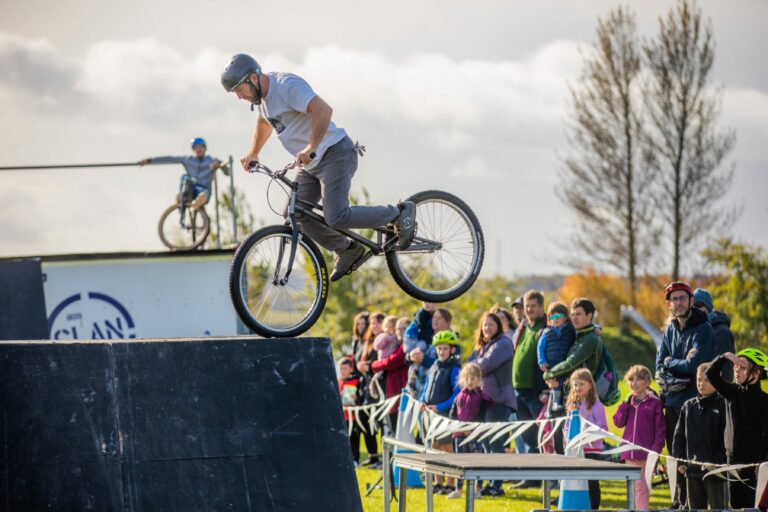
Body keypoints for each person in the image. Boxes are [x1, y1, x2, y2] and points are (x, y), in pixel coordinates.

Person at [221, 54, 416, 282]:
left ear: (253, 78)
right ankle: (347, 249)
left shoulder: (286, 86)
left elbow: (323, 110)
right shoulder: (261, 102)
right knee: (295, 213)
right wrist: (254, 152)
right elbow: (265, 122)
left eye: (239, 90)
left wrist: (311, 147)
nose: (239, 97)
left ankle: (398, 213)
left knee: (336, 216)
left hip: (335, 153)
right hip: (311, 164)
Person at [655, 281, 715, 507]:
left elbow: (695, 365)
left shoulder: (704, 329)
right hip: (672, 402)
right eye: (674, 299)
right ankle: (678, 501)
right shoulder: (670, 329)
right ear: (669, 304)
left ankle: (694, 503)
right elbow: (659, 364)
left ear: (691, 301)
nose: (678, 303)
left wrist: (673, 362)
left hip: (694, 404)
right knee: (675, 455)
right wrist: (674, 363)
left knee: (694, 457)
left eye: (682, 298)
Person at [705, 348, 768, 508]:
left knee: (754, 504)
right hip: (732, 460)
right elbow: (711, 374)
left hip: (754, 465)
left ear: (757, 373)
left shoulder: (764, 400)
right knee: (736, 503)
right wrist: (725, 356)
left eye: (743, 367)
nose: (737, 370)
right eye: (736, 366)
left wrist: (760, 463)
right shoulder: (733, 392)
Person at [472, 311, 517, 497]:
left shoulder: (504, 343)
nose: (487, 328)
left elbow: (485, 364)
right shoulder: (484, 346)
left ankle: (496, 485)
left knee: (495, 442)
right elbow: (472, 363)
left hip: (500, 400)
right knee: (485, 442)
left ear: (498, 326)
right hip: (485, 400)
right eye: (484, 324)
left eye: (491, 324)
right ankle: (490, 482)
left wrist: (471, 367)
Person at [672, 362, 727, 509]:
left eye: (707, 380)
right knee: (695, 508)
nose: (701, 383)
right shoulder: (688, 406)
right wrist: (681, 461)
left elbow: (727, 438)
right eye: (698, 379)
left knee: (718, 508)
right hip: (692, 471)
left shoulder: (723, 405)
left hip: (716, 471)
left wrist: (721, 462)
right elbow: (679, 438)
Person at [612, 365, 666, 510]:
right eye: (630, 380)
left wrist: (655, 451)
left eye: (637, 380)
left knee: (641, 487)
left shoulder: (655, 403)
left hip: (647, 454)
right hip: (629, 453)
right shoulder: (628, 402)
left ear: (648, 382)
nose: (633, 384)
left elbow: (660, 430)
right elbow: (618, 422)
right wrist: (624, 404)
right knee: (634, 487)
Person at [419, 330, 462, 494]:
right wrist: (423, 400)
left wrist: (440, 407)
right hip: (430, 414)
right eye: (439, 349)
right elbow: (426, 387)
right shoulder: (434, 366)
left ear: (451, 349)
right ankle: (438, 481)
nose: (441, 352)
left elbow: (456, 393)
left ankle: (450, 483)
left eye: (445, 348)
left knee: (446, 447)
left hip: (444, 414)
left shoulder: (453, 369)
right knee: (434, 446)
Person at [511, 290, 548, 466]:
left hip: (537, 391)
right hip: (518, 390)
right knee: (527, 434)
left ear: (541, 307)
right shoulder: (523, 327)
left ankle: (548, 474)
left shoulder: (547, 327)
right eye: (527, 306)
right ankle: (531, 474)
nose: (530, 309)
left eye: (534, 306)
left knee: (543, 433)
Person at [563, 368, 607, 510]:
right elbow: (567, 425)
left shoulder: (597, 405)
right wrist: (566, 439)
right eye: (575, 385)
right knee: (577, 481)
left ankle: (594, 508)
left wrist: (589, 435)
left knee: (592, 482)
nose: (577, 388)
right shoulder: (572, 405)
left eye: (581, 384)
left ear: (590, 385)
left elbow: (603, 428)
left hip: (591, 450)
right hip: (575, 450)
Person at [139, 137, 221, 210]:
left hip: (203, 189)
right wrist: (150, 161)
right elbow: (169, 159)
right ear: (193, 149)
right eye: (196, 147)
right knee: (185, 177)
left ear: (205, 148)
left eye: (201, 147)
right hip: (191, 189)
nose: (199, 149)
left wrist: (218, 163)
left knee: (204, 192)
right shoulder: (188, 159)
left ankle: (201, 199)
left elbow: (226, 171)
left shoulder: (211, 160)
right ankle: (183, 195)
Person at [447, 363, 486, 500]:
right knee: (460, 462)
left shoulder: (481, 396)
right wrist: (458, 428)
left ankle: (478, 489)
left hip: (475, 435)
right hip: (459, 435)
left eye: (473, 378)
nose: (470, 381)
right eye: (467, 378)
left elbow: (482, 415)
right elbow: (453, 415)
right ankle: (458, 489)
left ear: (479, 379)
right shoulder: (459, 396)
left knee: (477, 461)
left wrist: (473, 429)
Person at [353, 312, 382, 467]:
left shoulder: (383, 340)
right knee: (364, 419)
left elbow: (381, 361)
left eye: (377, 323)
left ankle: (381, 456)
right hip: (365, 384)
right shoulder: (366, 342)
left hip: (377, 385)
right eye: (372, 323)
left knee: (377, 421)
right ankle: (373, 454)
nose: (373, 326)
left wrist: (369, 366)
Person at [537, 301, 576, 415]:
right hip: (551, 364)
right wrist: (541, 361)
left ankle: (551, 409)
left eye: (558, 316)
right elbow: (540, 348)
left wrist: (596, 327)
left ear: (565, 317)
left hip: (564, 363)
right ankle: (554, 405)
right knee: (555, 384)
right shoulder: (546, 332)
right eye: (552, 316)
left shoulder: (570, 330)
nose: (555, 319)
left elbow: (583, 328)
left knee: (562, 385)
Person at [694, 287, 735, 382]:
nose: (694, 309)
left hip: (717, 391)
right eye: (692, 306)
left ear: (708, 307)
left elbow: (726, 367)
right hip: (699, 388)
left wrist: (723, 394)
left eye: (698, 305)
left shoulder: (722, 332)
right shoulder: (696, 329)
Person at [337, 357, 364, 464]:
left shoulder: (357, 380)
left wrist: (356, 397)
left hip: (353, 416)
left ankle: (355, 459)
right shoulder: (338, 382)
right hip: (341, 416)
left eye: (345, 368)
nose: (343, 371)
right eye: (341, 369)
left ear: (351, 369)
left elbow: (361, 397)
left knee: (353, 439)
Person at [369, 315, 399, 401]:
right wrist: (386, 338)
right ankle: (372, 385)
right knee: (378, 375)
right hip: (383, 359)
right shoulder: (384, 336)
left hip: (390, 361)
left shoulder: (395, 337)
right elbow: (377, 346)